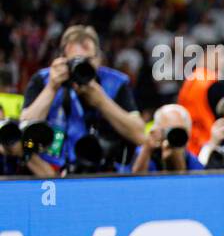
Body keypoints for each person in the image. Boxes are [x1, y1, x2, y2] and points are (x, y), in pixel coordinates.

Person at [21, 24, 146, 172]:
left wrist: (102, 102)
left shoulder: (115, 83)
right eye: (75, 60)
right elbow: (24, 129)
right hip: (52, 171)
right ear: (62, 59)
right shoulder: (44, 80)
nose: (81, 66)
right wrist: (51, 88)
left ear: (99, 58)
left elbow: (139, 135)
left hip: (104, 172)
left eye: (88, 60)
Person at [131, 103, 205, 172]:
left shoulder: (191, 161)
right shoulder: (146, 153)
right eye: (168, 131)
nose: (174, 136)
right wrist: (147, 150)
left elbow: (188, 182)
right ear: (157, 130)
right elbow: (135, 180)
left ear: (188, 134)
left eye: (179, 133)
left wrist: (177, 160)